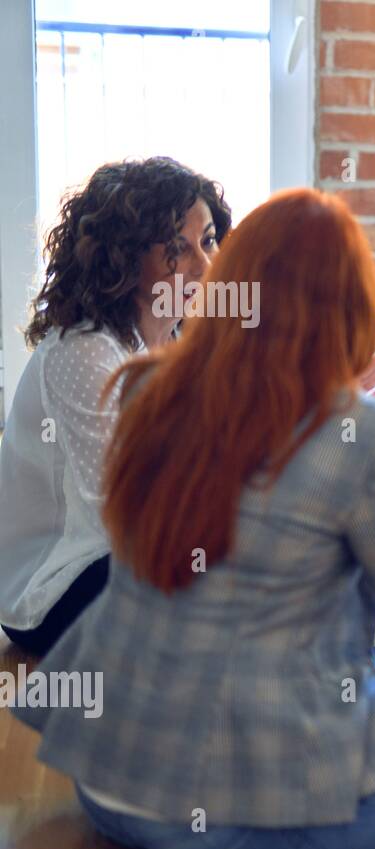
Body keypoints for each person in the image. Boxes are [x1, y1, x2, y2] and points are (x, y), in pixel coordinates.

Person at [11, 189, 375, 849]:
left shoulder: (148, 389)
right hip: (237, 823)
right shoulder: (367, 437)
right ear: (349, 308)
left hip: (109, 790)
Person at [0, 157, 230, 656]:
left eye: (208, 240)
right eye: (176, 249)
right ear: (124, 258)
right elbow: (129, 513)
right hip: (58, 586)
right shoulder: (82, 350)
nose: (205, 266)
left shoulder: (176, 339)